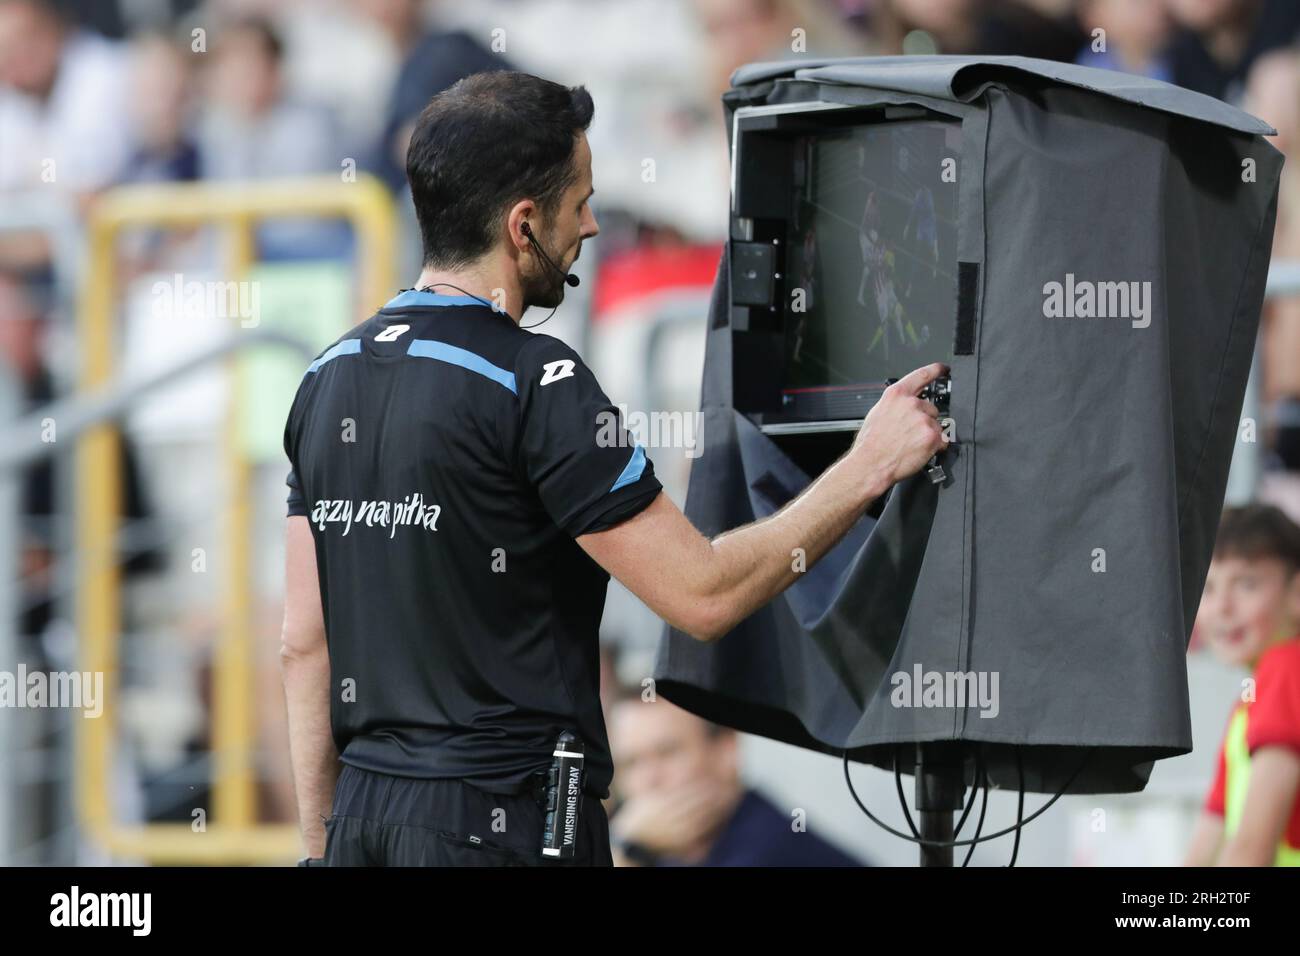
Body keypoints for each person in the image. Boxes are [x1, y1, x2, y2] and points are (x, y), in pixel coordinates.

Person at [279, 70, 948, 867]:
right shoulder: (536, 381)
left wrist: (322, 846)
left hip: (361, 818)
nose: (591, 226)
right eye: (579, 202)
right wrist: (866, 466)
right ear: (522, 224)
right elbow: (702, 593)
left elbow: (303, 644)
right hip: (503, 826)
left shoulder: (327, 376)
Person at [607, 692, 864, 866]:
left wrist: (629, 850)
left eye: (667, 752)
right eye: (631, 763)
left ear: (727, 750)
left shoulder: (769, 847)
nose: (650, 779)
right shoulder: (665, 851)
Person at [1185, 504, 1300, 866]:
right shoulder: (1250, 699)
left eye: (1247, 584)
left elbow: (1251, 849)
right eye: (1209, 586)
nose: (1222, 607)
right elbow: (1212, 831)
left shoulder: (1287, 669)